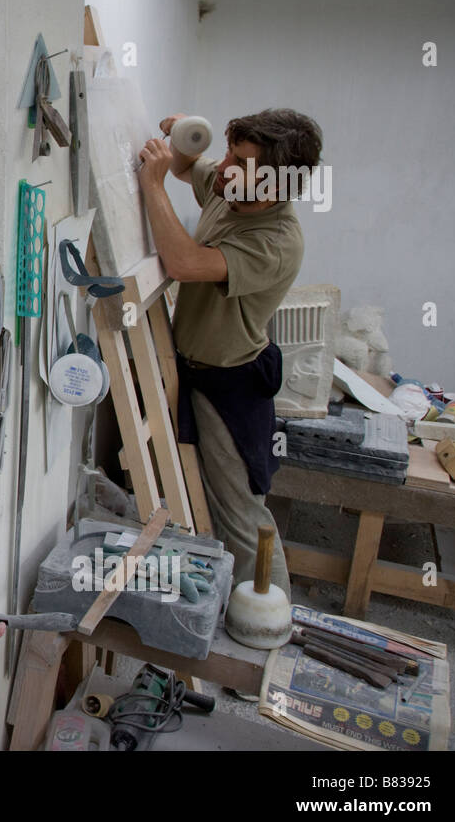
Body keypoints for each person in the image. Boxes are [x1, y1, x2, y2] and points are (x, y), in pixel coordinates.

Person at [137, 109, 323, 600]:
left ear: (274, 184)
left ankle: (268, 621)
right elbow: (186, 166)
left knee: (242, 514)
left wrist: (152, 184)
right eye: (229, 152)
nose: (223, 167)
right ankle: (216, 603)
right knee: (201, 501)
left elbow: (182, 262)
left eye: (239, 160)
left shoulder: (276, 240)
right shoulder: (230, 193)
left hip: (232, 384)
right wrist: (180, 137)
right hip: (193, 368)